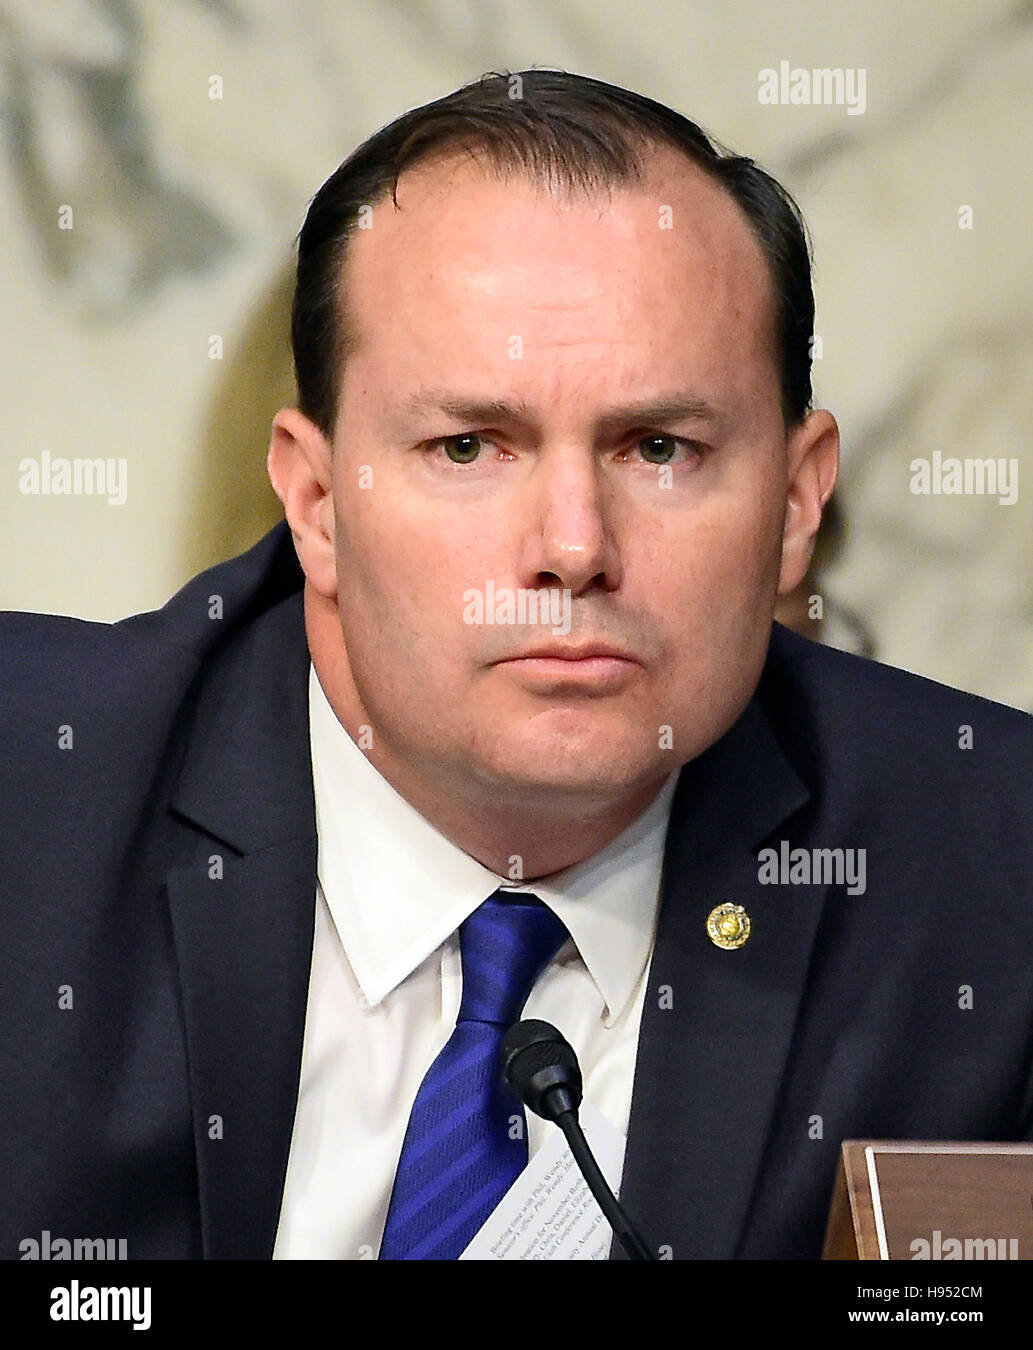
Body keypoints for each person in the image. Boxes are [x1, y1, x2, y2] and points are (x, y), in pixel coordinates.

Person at [3, 69, 1031, 1263]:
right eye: (468, 446)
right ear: (317, 498)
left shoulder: (991, 872)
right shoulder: (36, 799)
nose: (574, 548)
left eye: (660, 447)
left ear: (799, 502)